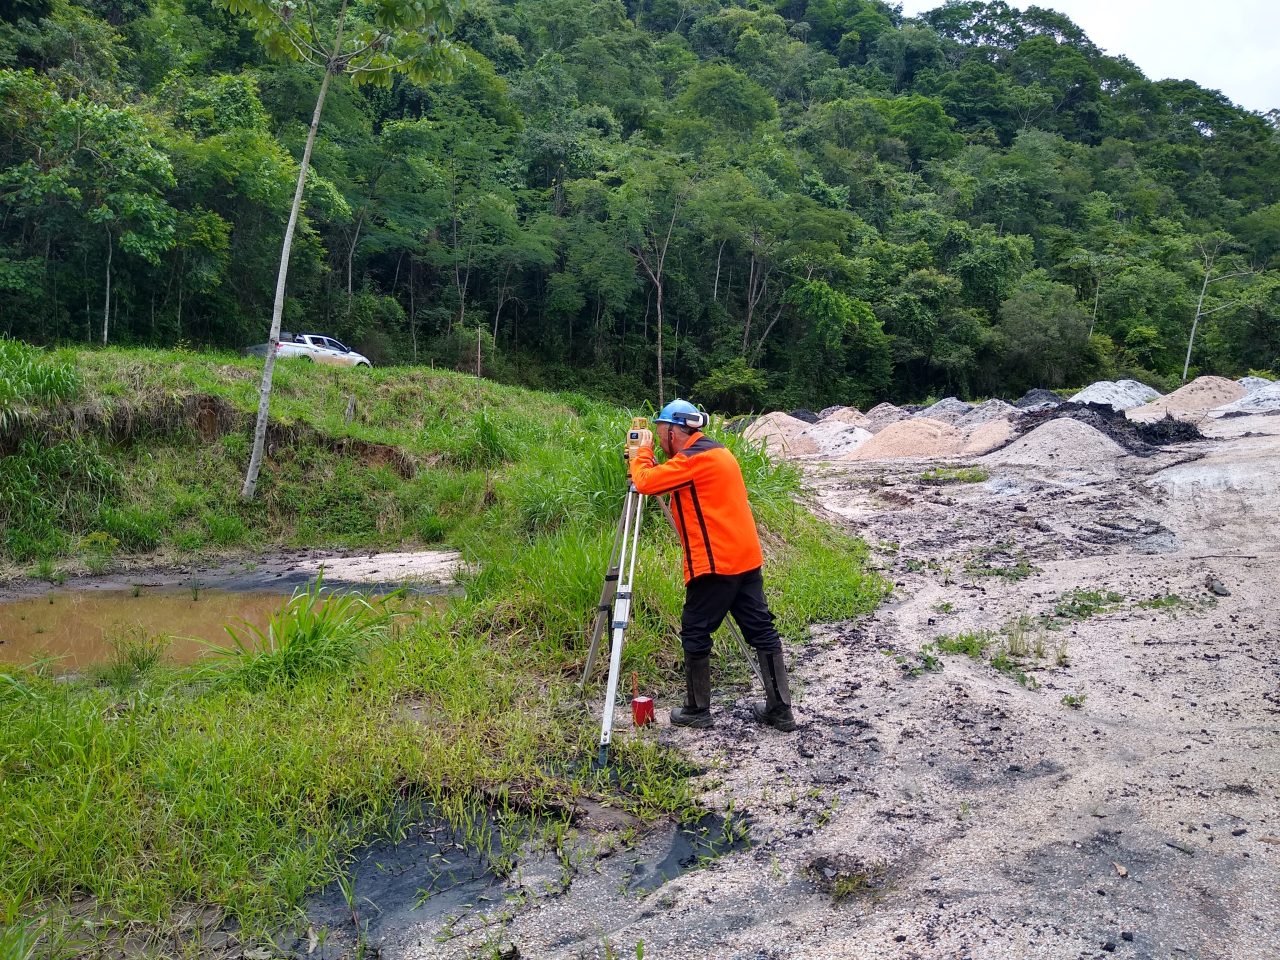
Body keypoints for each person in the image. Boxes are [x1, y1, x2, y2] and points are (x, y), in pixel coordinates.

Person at [627, 399, 796, 732]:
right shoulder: (718, 452)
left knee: (695, 629)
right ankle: (780, 710)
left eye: (659, 433)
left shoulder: (693, 460)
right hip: (746, 559)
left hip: (717, 563)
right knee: (762, 631)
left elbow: (644, 483)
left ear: (674, 431)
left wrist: (641, 453)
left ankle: (696, 710)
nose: (658, 439)